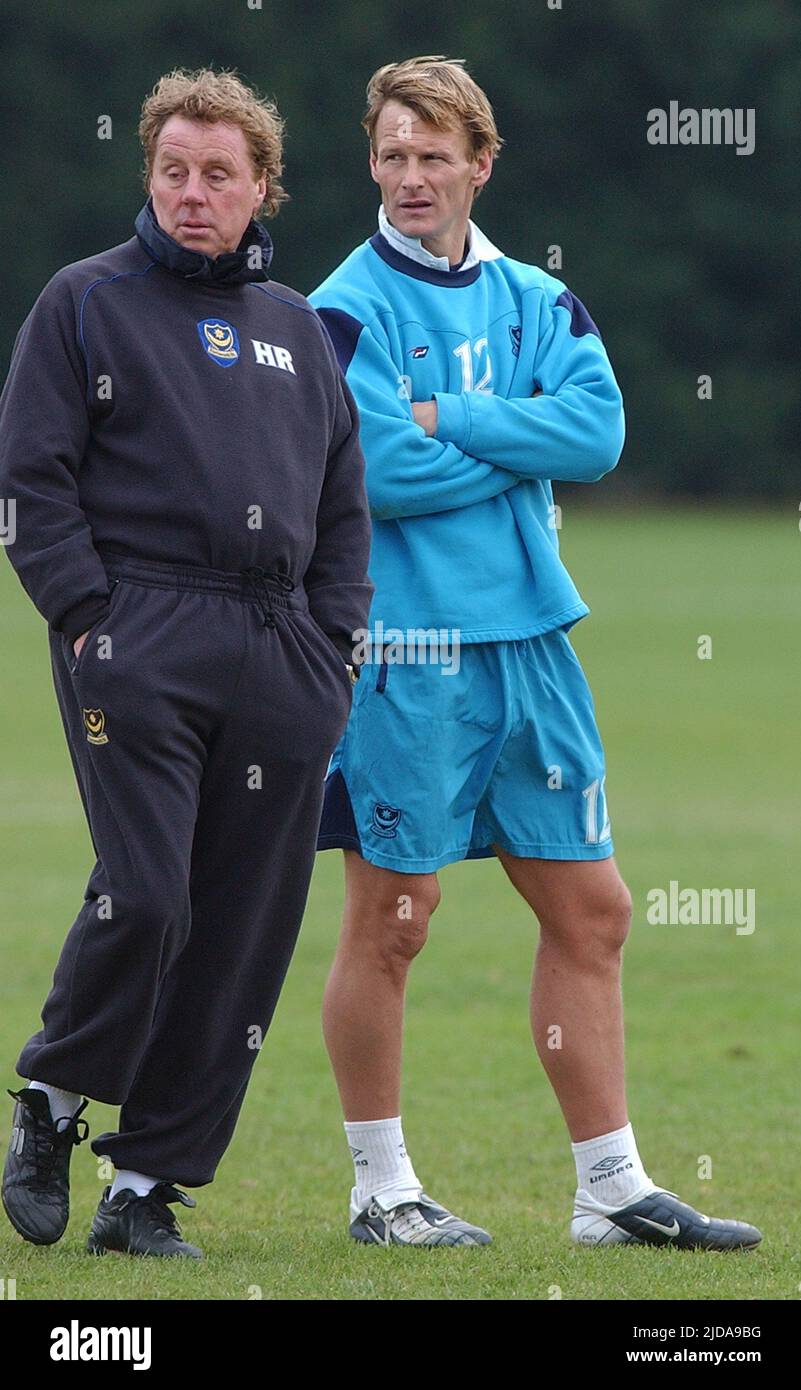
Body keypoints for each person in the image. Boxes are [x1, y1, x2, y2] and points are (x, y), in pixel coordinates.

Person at [310, 55, 761, 1251]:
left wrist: (447, 417)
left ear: (479, 162)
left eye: (433, 155)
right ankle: (379, 1189)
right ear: (372, 160)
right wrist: (519, 441)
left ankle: (608, 1191)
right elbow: (369, 471)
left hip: (535, 642)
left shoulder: (535, 297)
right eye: (392, 155)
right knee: (394, 918)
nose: (411, 177)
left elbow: (599, 431)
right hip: (406, 651)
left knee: (594, 912)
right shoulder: (340, 306)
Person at [0, 67, 372, 1259]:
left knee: (243, 927)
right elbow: (31, 481)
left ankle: (146, 1188)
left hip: (281, 653)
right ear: (148, 176)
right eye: (173, 171)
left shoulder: (300, 332)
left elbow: (343, 506)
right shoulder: (83, 302)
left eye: (219, 175)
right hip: (138, 634)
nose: (192, 194)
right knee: (149, 892)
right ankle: (53, 1100)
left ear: (263, 187)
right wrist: (86, 617)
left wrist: (333, 646)